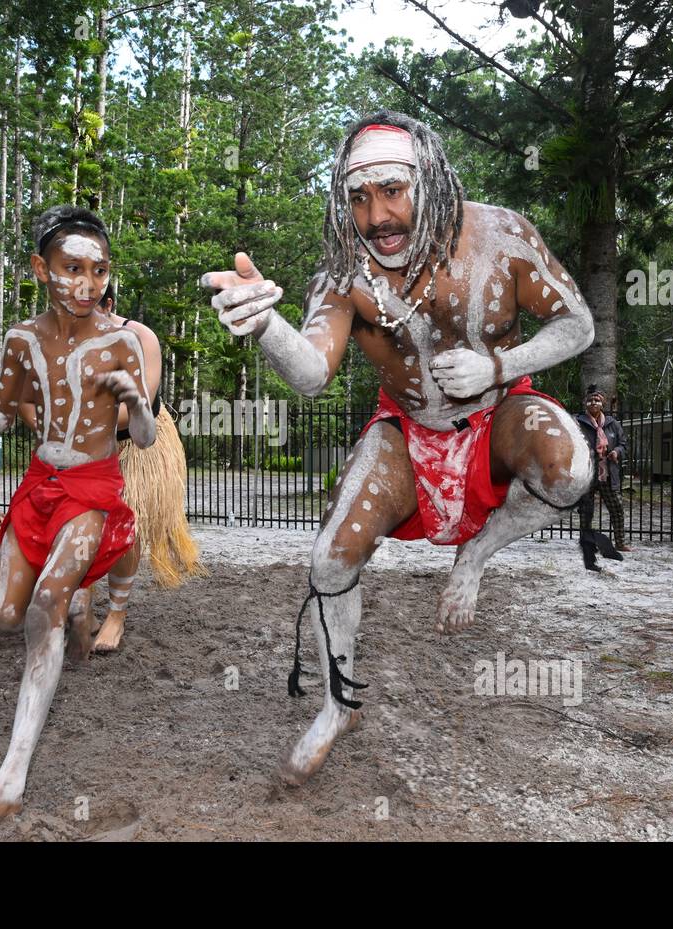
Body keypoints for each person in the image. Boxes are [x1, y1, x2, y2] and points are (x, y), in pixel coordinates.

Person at [201, 111, 594, 785]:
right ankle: (336, 702)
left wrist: (498, 368)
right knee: (329, 557)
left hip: (497, 414)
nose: (376, 214)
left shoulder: (500, 233)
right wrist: (263, 324)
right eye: (358, 197)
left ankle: (477, 554)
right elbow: (310, 376)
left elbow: (578, 324)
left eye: (391, 191)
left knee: (572, 471)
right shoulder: (343, 268)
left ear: (430, 179)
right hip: (406, 430)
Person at [0, 205, 156, 832]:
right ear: (41, 268)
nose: (89, 283)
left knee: (41, 610)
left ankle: (9, 781)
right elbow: (3, 412)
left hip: (92, 486)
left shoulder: (122, 341)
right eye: (73, 268)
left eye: (100, 270)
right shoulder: (20, 339)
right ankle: (78, 602)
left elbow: (144, 438)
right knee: (1, 616)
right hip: (39, 485)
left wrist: (138, 404)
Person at [67, 282, 205, 653]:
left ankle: (116, 614)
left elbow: (138, 404)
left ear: (108, 304)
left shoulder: (141, 337)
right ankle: (87, 607)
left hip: (136, 446)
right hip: (83, 449)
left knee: (126, 529)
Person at [575, 385, 630, 565]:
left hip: (608, 473)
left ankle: (620, 542)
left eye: (597, 400)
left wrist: (617, 452)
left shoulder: (612, 424)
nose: (594, 403)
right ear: (585, 403)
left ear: (603, 402)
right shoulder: (578, 422)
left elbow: (623, 444)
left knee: (617, 507)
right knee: (585, 510)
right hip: (588, 472)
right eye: (590, 400)